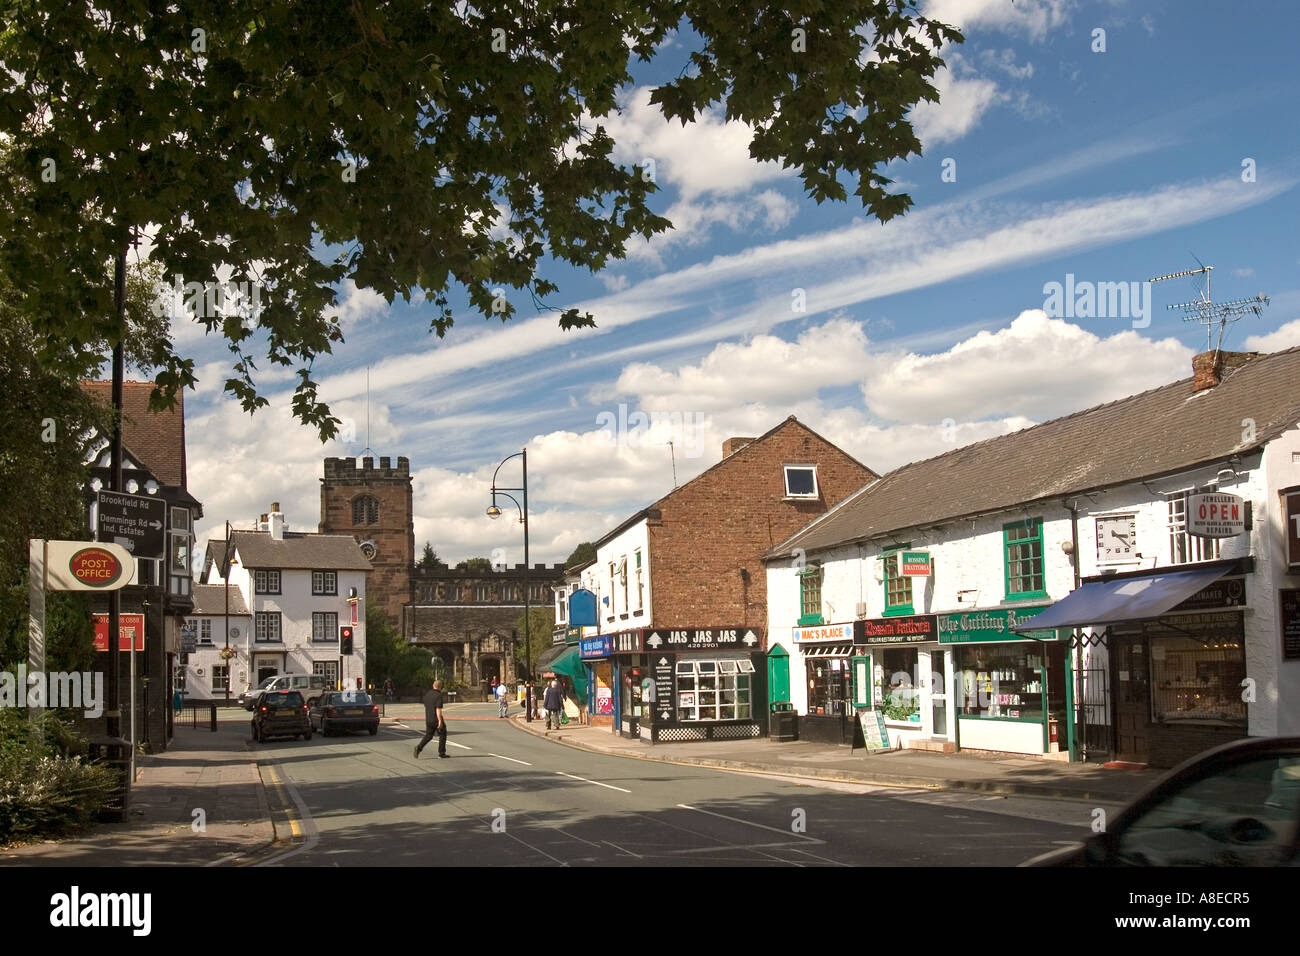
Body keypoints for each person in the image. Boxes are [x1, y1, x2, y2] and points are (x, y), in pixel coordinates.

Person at [414, 679, 448, 758]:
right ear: (440, 687)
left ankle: (418, 748)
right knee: (443, 734)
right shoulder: (438, 696)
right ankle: (441, 753)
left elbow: (426, 705)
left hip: (428, 718)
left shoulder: (427, 694)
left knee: (428, 735)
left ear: (433, 686)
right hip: (436, 719)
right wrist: (440, 721)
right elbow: (438, 709)